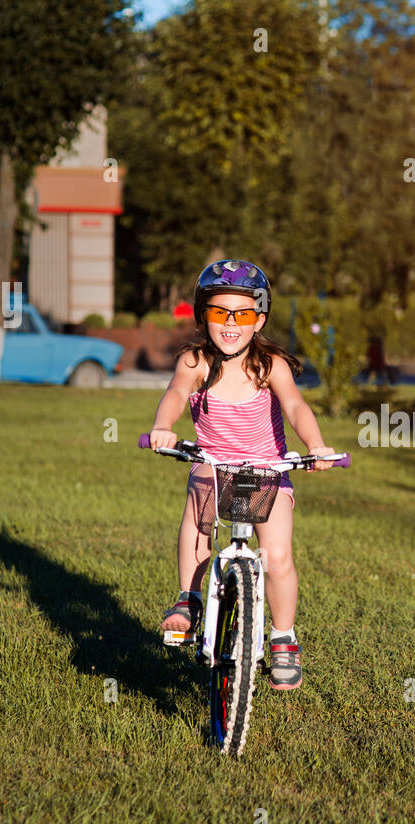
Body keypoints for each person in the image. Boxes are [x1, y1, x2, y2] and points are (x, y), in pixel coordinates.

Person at [147, 259, 335, 690]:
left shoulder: (270, 365)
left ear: (259, 319)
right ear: (203, 315)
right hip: (213, 466)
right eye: (219, 312)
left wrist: (316, 445)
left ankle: (283, 637)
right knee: (199, 516)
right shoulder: (195, 362)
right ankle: (190, 599)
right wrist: (163, 427)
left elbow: (295, 407)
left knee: (279, 555)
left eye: (243, 314)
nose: (230, 323)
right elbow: (175, 394)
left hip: (267, 472)